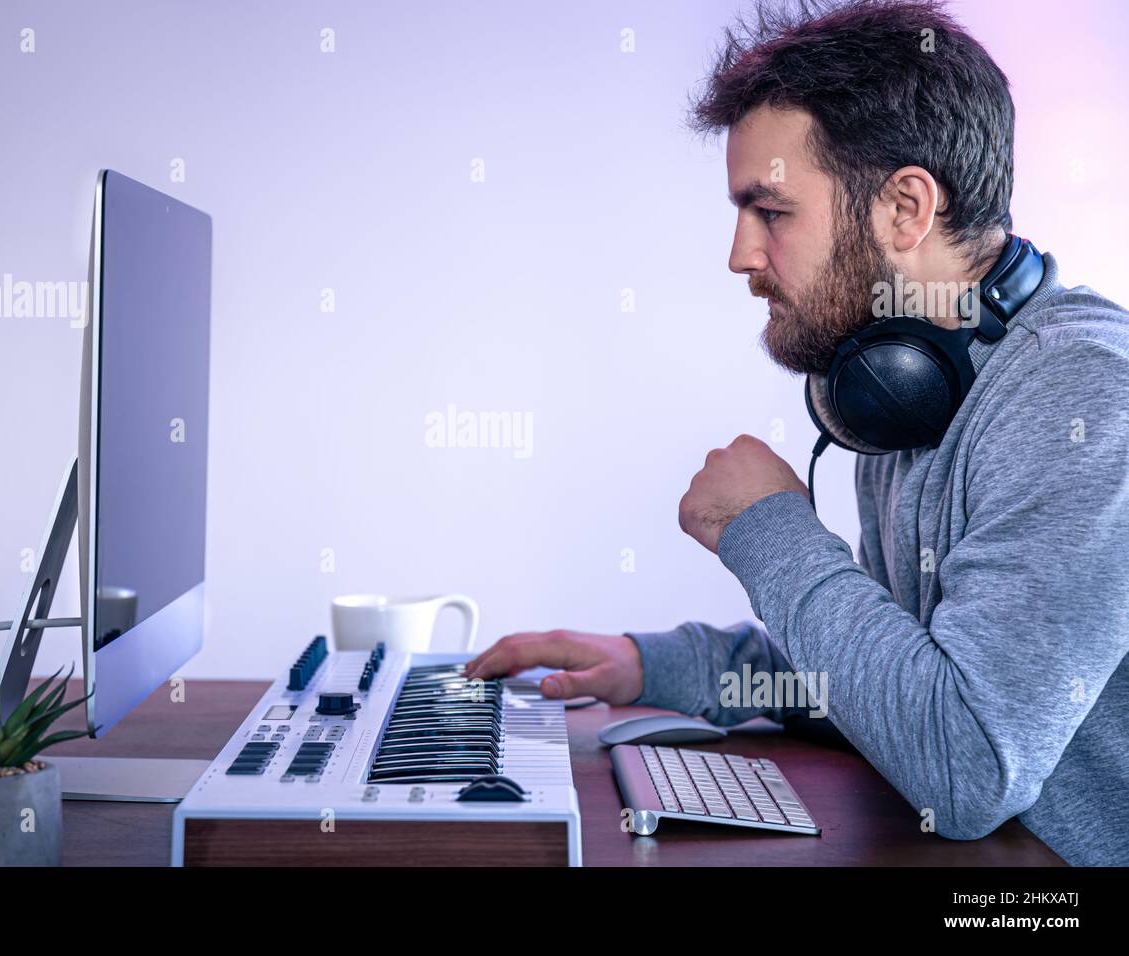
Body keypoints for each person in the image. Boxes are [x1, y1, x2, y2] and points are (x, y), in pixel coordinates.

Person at [464, 0, 1129, 866]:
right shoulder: (899, 386)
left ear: (905, 208)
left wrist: (769, 530)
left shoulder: (1081, 393)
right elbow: (897, 685)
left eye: (769, 211)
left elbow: (967, 765)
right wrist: (665, 666)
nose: (740, 255)